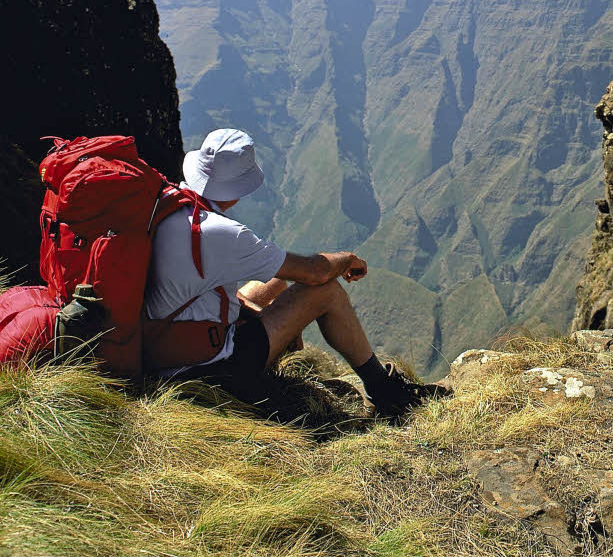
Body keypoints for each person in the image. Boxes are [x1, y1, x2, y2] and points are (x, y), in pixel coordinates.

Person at [144, 128, 446, 417]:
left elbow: (193, 286)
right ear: (238, 189)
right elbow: (314, 272)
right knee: (324, 291)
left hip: (162, 347)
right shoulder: (222, 234)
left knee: (276, 280)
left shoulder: (168, 205)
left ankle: (286, 359)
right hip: (209, 370)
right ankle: (388, 392)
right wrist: (347, 259)